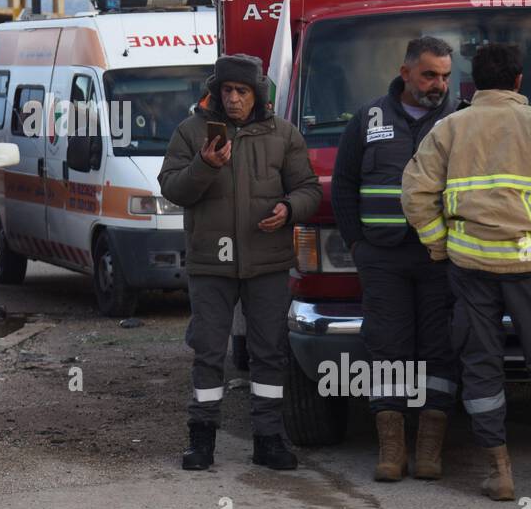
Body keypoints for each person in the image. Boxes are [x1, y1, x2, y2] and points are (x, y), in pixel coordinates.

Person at [402, 43, 531, 503]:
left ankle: (500, 474)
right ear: (516, 82)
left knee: (480, 366)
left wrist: (437, 244)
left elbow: (415, 194)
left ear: (473, 84)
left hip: (470, 268)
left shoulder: (448, 128)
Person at [159, 53, 321, 471]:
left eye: (242, 91)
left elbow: (308, 189)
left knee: (269, 353)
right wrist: (204, 165)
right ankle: (201, 440)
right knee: (209, 351)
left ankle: (268, 440)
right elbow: (172, 189)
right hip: (210, 264)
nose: (233, 99)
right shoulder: (191, 133)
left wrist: (288, 209)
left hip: (267, 263)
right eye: (227, 90)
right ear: (217, 92)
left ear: (257, 95)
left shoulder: (284, 135)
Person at [331, 36, 460, 482]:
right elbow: (344, 185)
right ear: (405, 73)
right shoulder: (368, 119)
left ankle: (429, 449)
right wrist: (357, 245)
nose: (438, 84)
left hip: (438, 257)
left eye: (445, 75)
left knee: (438, 347)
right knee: (387, 346)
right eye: (429, 74)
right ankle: (391, 448)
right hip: (382, 256)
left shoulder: (459, 120)